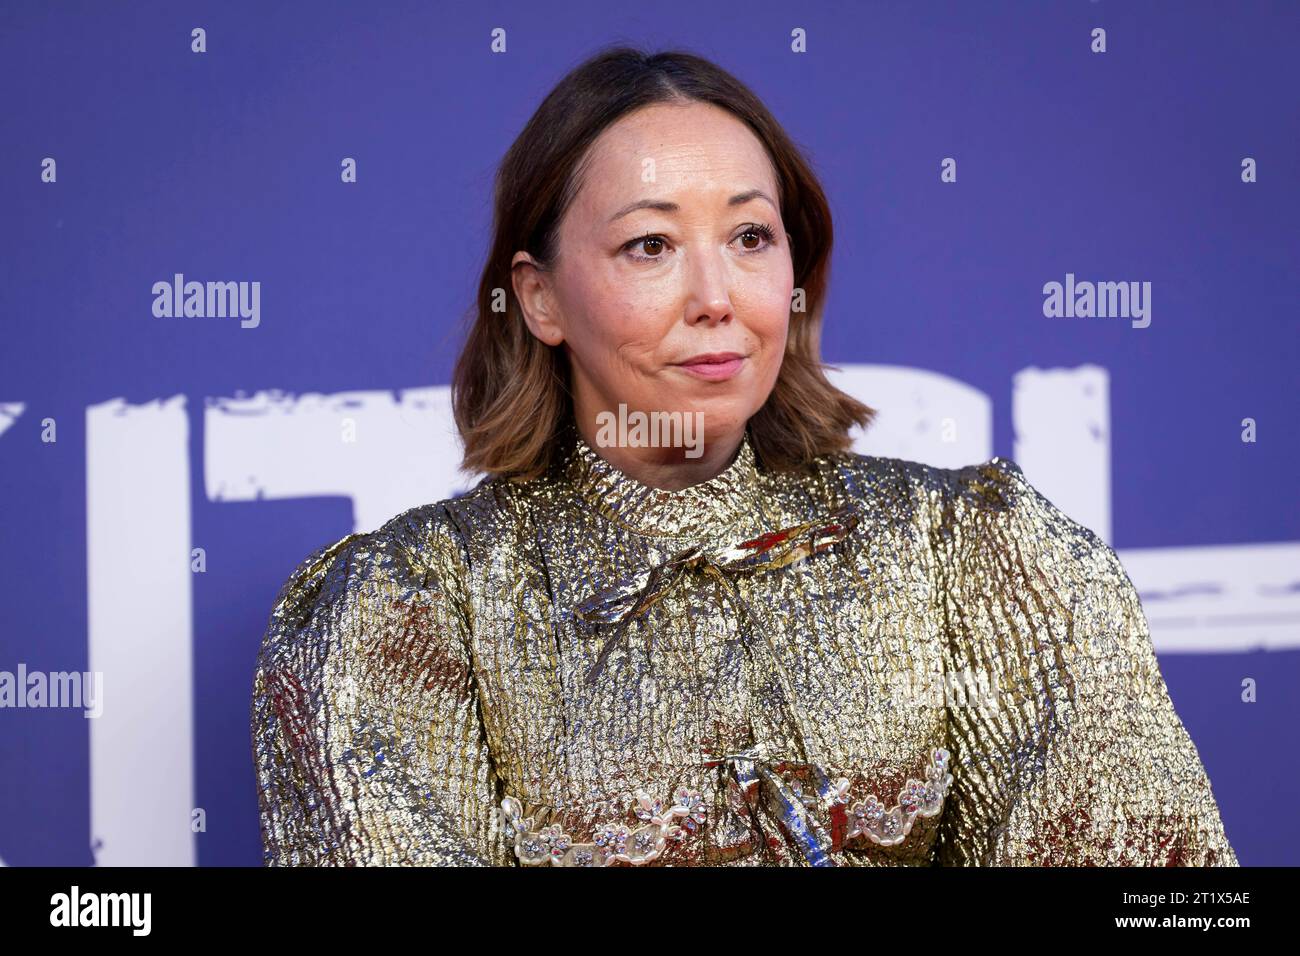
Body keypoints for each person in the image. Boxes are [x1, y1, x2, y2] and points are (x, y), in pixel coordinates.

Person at [249, 46, 1238, 867]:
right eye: (650, 246)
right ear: (539, 296)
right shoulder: (409, 605)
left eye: (751, 235)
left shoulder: (971, 552)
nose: (716, 295)